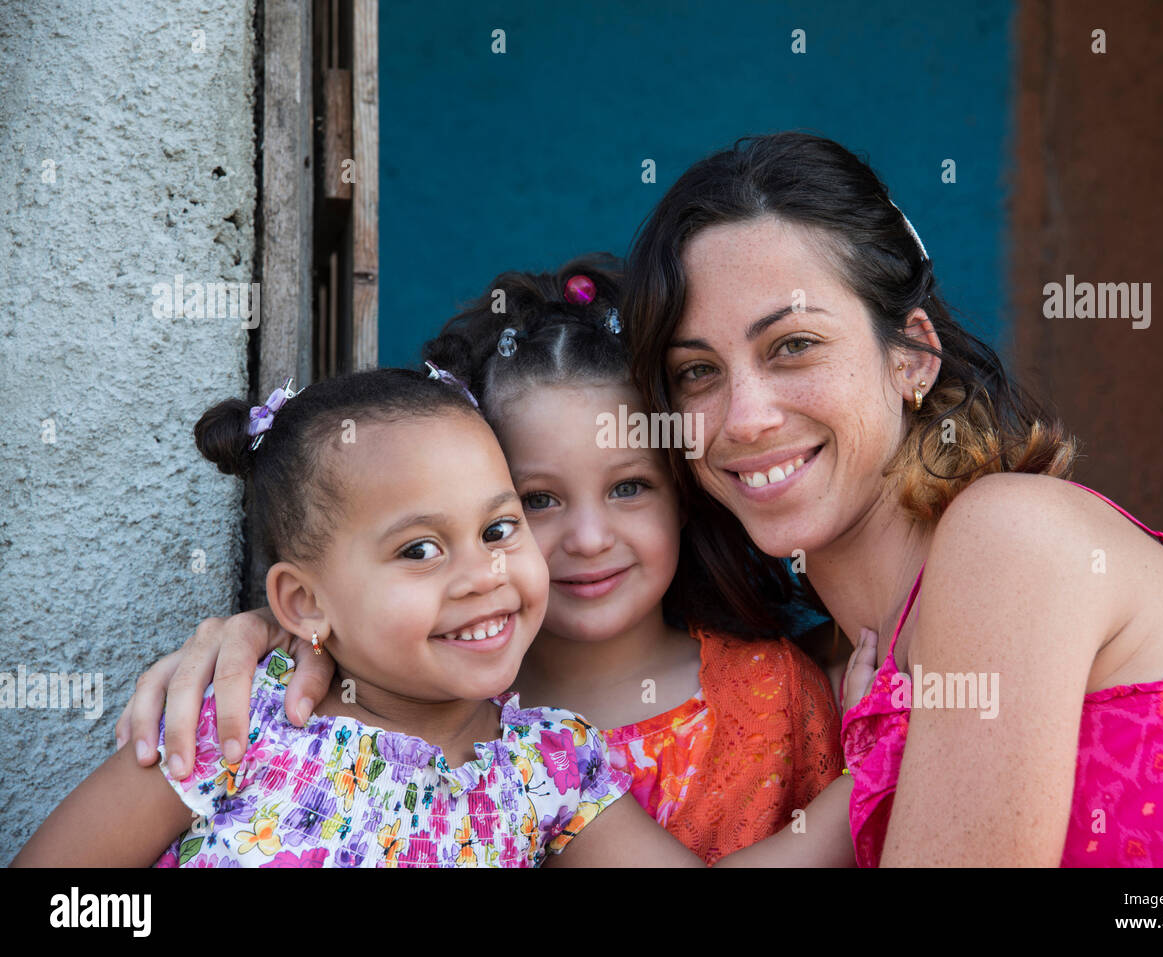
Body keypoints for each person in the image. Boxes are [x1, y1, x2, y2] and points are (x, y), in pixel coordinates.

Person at [621, 130, 1163, 866]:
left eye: (793, 346)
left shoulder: (1008, 539)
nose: (745, 416)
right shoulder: (829, 675)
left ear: (911, 355)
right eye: (697, 372)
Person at [109, 256, 849, 865]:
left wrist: (884, 751)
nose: (589, 537)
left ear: (684, 492)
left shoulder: (545, 765)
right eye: (536, 501)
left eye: (629, 486)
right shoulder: (248, 713)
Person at [14, 366, 703, 867]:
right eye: (421, 548)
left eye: (499, 529)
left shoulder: (550, 766)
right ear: (305, 603)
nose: (482, 575)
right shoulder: (237, 724)